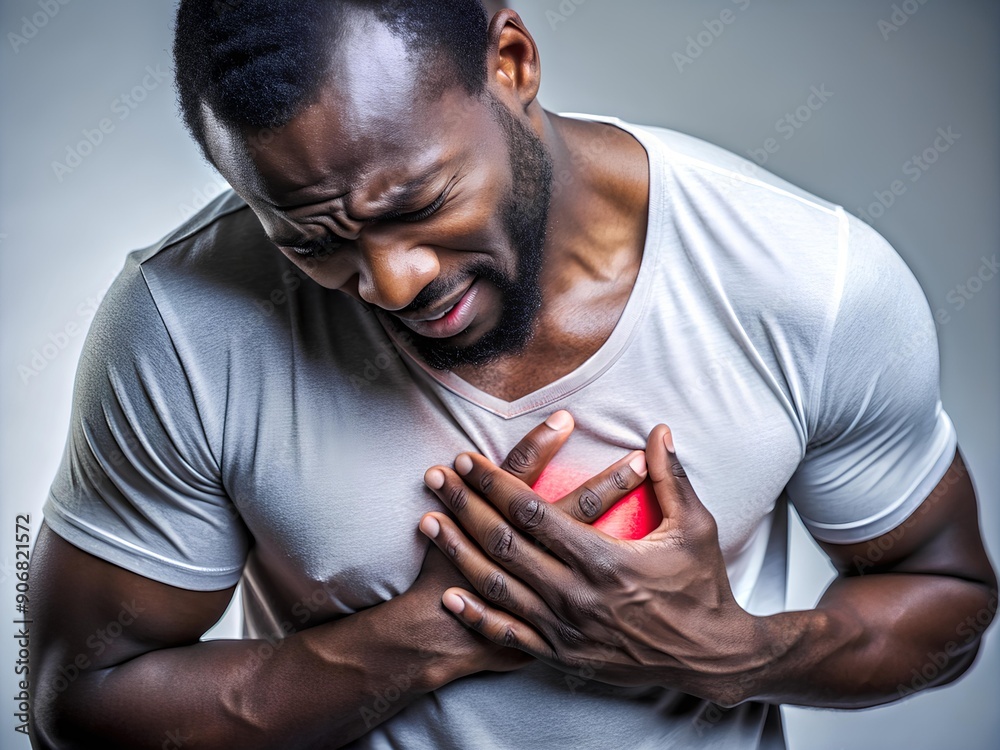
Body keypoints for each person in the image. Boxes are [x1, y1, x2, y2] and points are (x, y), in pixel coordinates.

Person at [28, 2, 997, 748]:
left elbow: (944, 595)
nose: (392, 281)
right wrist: (438, 632)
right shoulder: (185, 322)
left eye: (417, 201)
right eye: (314, 242)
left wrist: (730, 652)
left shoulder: (806, 281)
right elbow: (82, 705)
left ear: (512, 63)